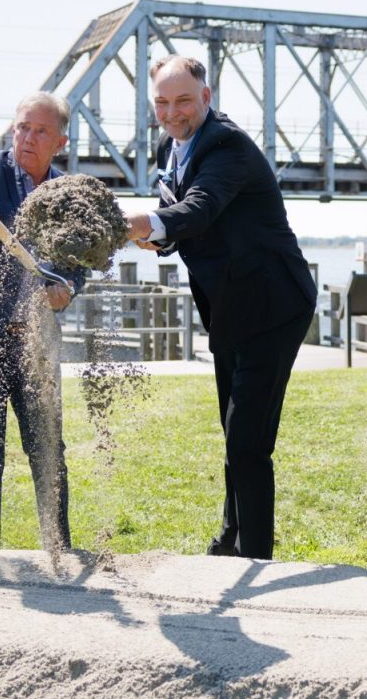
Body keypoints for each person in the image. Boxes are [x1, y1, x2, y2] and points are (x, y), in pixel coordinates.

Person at [126, 57, 314, 559]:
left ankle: (254, 554)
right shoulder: (170, 145)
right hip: (229, 306)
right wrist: (160, 240)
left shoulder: (228, 146)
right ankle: (230, 539)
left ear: (206, 98)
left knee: (248, 439)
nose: (172, 112)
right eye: (162, 102)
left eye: (183, 100)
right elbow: (192, 227)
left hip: (274, 305)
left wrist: (130, 224)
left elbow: (199, 209)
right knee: (233, 431)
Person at [0, 92, 85, 553]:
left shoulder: (68, 194)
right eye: (22, 128)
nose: (27, 138)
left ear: (60, 142)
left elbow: (79, 260)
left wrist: (68, 286)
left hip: (37, 340)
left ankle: (59, 550)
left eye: (40, 131)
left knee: (48, 450)